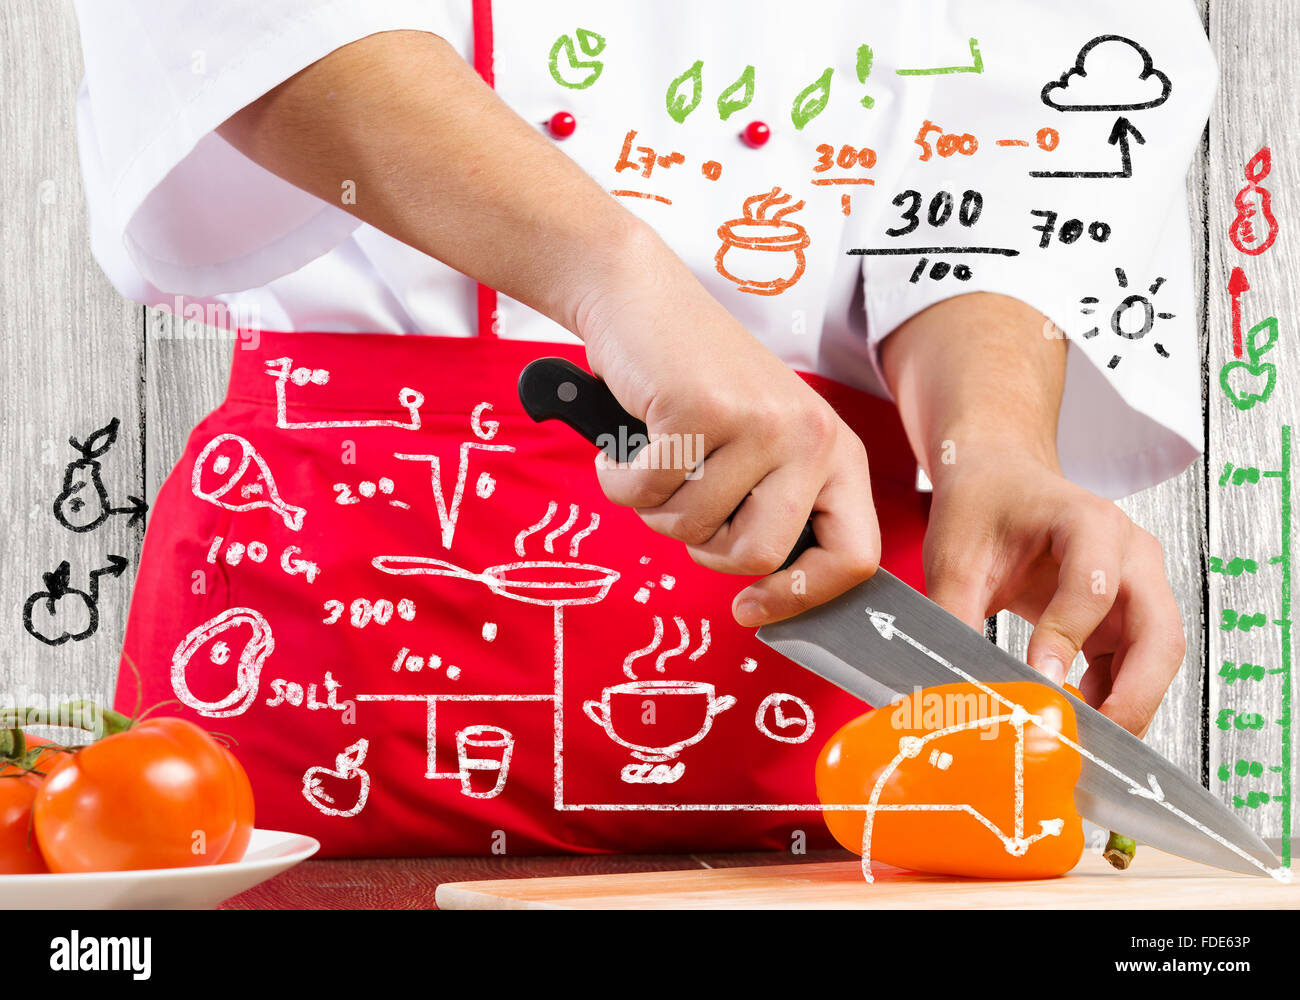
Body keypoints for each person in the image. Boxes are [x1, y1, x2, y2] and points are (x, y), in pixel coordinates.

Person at [71, 0, 1214, 856]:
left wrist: (994, 439)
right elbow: (245, 26)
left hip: (817, 654)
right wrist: (616, 280)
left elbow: (1005, 132)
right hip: (342, 653)